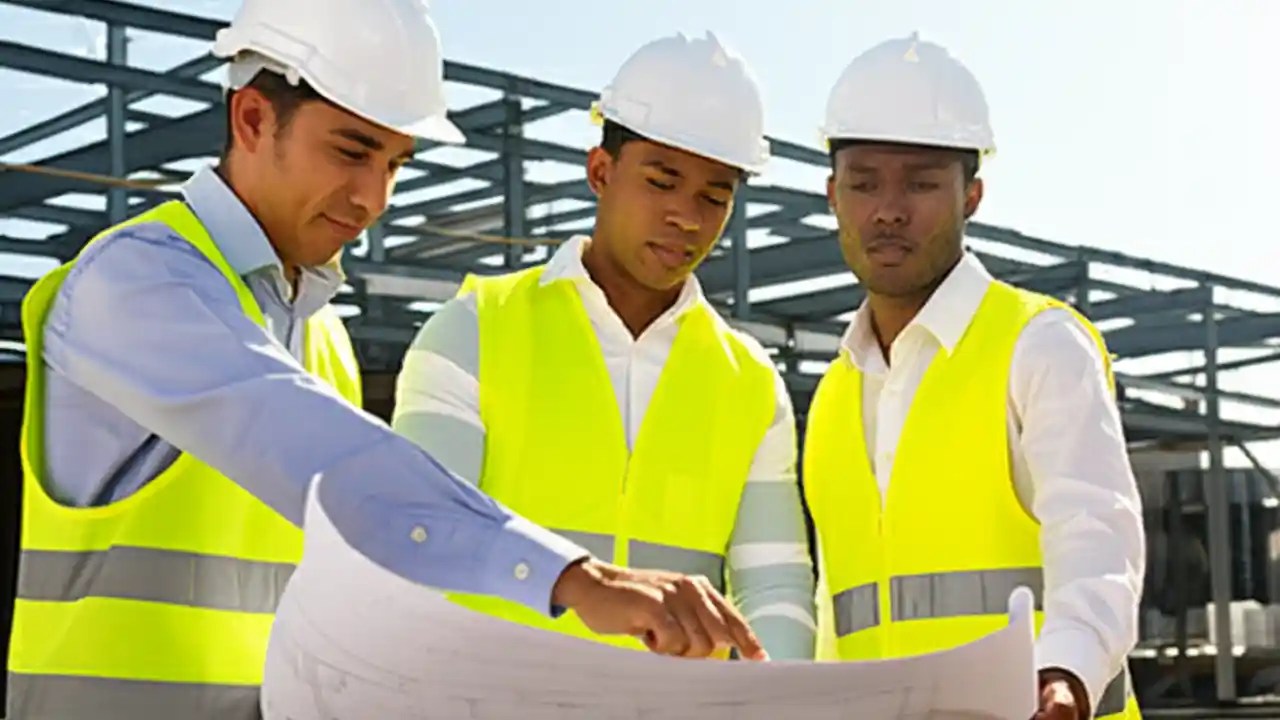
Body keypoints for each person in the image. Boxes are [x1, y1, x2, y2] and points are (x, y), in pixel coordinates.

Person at [6, 3, 765, 718]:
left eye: (396, 164)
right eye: (351, 151)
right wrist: (576, 578)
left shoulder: (324, 333)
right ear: (252, 118)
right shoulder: (134, 283)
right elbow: (329, 459)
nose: (373, 199)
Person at [389, 30, 816, 662]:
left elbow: (775, 588)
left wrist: (776, 698)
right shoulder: (473, 329)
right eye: (662, 181)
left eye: (713, 195)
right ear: (601, 171)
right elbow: (418, 538)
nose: (686, 217)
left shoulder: (751, 383)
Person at [803, 34, 1145, 720]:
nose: (889, 209)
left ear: (973, 197)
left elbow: (1097, 538)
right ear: (833, 196)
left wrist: (1068, 673)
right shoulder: (836, 390)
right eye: (864, 183)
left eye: (922, 183)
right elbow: (834, 616)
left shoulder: (1040, 344)